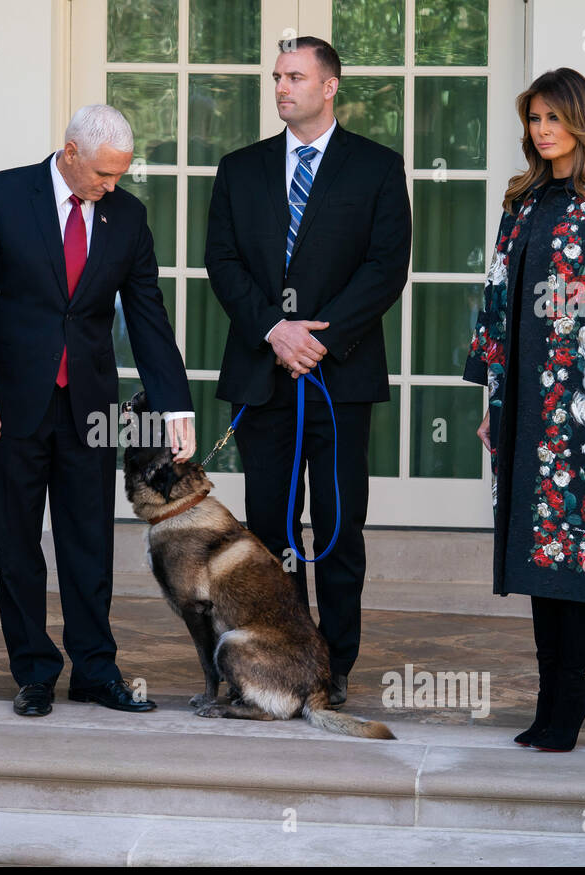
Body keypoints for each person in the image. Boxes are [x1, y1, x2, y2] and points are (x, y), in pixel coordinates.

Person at [0, 104, 195, 718]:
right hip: (8, 406)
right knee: (16, 543)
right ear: (69, 153)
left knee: (88, 542)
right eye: (102, 174)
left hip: (90, 408)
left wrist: (174, 408)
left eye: (119, 176)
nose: (110, 187)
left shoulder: (126, 216)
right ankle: (34, 671)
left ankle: (95, 669)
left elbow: (148, 317)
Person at [204, 36, 411, 705]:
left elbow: (387, 266)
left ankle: (334, 666)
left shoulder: (377, 168)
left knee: (340, 527)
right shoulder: (241, 169)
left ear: (330, 87)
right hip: (265, 377)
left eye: (295, 76)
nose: (282, 87)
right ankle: (274, 661)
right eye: (276, 77)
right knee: (267, 535)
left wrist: (320, 339)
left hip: (339, 378)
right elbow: (223, 261)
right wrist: (274, 328)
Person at [463, 67, 585, 752]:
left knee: (580, 549)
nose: (541, 132)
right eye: (534, 121)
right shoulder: (523, 200)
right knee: (541, 553)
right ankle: (557, 694)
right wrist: (492, 395)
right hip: (525, 406)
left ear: (580, 120)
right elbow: (496, 299)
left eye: (552, 119)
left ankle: (569, 689)